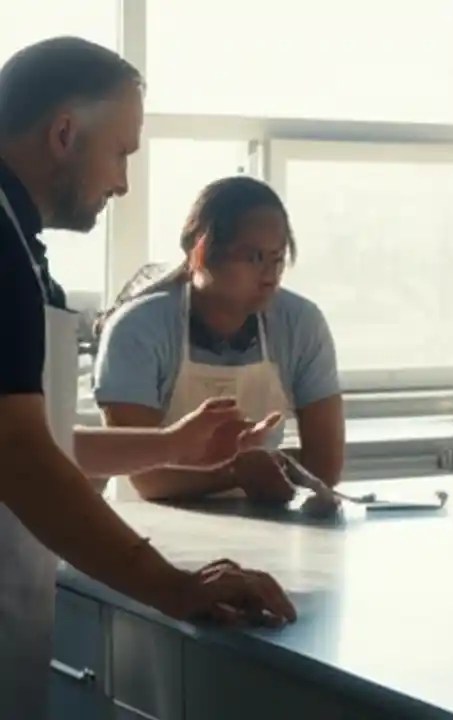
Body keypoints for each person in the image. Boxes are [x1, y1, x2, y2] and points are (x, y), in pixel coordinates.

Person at [0, 37, 295, 716]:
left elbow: (35, 434)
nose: (123, 182)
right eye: (121, 153)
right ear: (64, 134)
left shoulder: (18, 242)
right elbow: (17, 453)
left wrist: (170, 445)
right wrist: (171, 586)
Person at [95, 176, 344, 503]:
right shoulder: (138, 329)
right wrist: (236, 471)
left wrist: (273, 471)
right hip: (150, 519)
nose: (270, 275)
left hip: (266, 520)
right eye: (254, 258)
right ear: (200, 254)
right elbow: (148, 478)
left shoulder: (300, 324)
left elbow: (326, 464)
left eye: (278, 258)